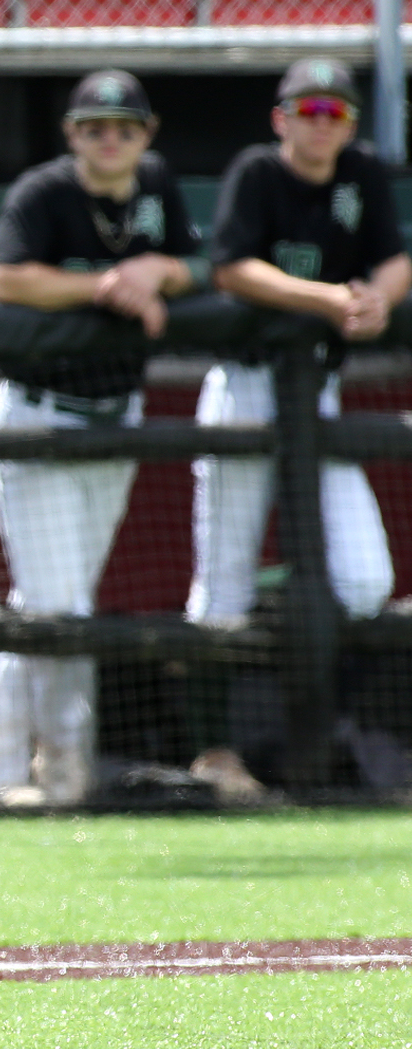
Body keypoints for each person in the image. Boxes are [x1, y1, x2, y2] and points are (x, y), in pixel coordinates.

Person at [0, 70, 207, 808]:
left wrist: (156, 268)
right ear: (73, 134)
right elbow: (1, 279)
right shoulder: (43, 192)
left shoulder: (157, 186)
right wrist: (106, 284)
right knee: (60, 603)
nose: (111, 138)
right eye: (95, 127)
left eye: (125, 127)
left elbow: (201, 266)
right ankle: (64, 774)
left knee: (50, 597)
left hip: (113, 417)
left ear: (148, 134)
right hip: (38, 416)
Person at [188, 57, 407, 794]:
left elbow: (393, 258)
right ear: (282, 118)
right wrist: (325, 298)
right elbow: (231, 268)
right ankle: (211, 754)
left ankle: (300, 677)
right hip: (246, 386)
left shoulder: (363, 174)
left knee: (366, 578)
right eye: (308, 111)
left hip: (320, 392)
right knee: (219, 584)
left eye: (336, 112)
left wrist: (377, 296)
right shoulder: (256, 171)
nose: (322, 124)